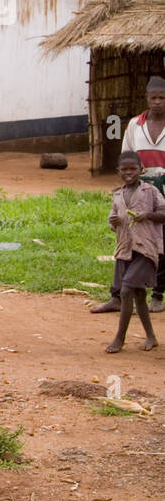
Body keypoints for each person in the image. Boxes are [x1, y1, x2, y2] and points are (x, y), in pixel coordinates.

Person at [92, 75, 165, 314]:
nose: (157, 102)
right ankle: (118, 295)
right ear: (146, 98)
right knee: (128, 238)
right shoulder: (135, 125)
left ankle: (157, 294)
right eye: (153, 97)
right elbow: (127, 157)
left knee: (160, 241)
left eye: (162, 98)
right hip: (140, 189)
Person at [105, 150, 162, 353]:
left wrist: (147, 215)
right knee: (138, 294)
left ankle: (119, 338)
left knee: (127, 289)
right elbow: (114, 222)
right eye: (124, 169)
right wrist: (115, 222)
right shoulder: (117, 195)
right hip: (125, 249)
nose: (129, 172)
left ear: (141, 170)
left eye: (133, 169)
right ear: (118, 171)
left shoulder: (151, 191)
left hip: (146, 249)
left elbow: (163, 213)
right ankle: (151, 337)